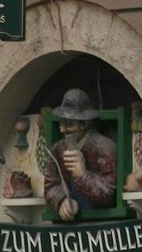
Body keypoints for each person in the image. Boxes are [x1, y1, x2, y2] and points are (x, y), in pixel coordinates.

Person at [42, 88, 117, 222]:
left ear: (83, 123)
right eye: (61, 123)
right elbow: (50, 184)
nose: (63, 130)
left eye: (69, 124)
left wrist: (82, 175)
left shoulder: (105, 148)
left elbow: (109, 193)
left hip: (102, 223)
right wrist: (62, 200)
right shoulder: (57, 149)